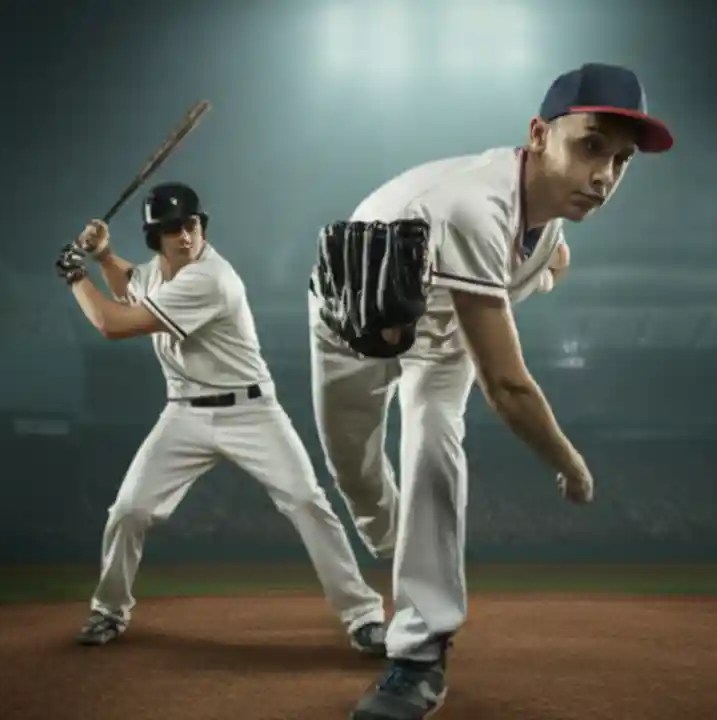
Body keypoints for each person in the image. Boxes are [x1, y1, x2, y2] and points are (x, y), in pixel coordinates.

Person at [306, 63, 674, 719]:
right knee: (353, 467)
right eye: (591, 145)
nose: (605, 176)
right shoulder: (478, 206)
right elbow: (508, 386)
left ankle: (419, 653)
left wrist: (547, 271)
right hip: (351, 316)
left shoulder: (550, 223)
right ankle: (399, 546)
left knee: (433, 442)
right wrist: (570, 463)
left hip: (446, 327)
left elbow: (544, 261)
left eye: (621, 161)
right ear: (538, 134)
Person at [54, 181, 388, 656]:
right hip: (184, 413)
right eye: (172, 228)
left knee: (307, 502)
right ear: (156, 236)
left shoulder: (210, 277)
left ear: (201, 225)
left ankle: (364, 616)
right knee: (129, 511)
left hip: (252, 412)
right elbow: (131, 285)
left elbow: (113, 324)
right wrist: (105, 256)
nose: (185, 235)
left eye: (190, 224)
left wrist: (74, 277)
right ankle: (108, 609)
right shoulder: (157, 273)